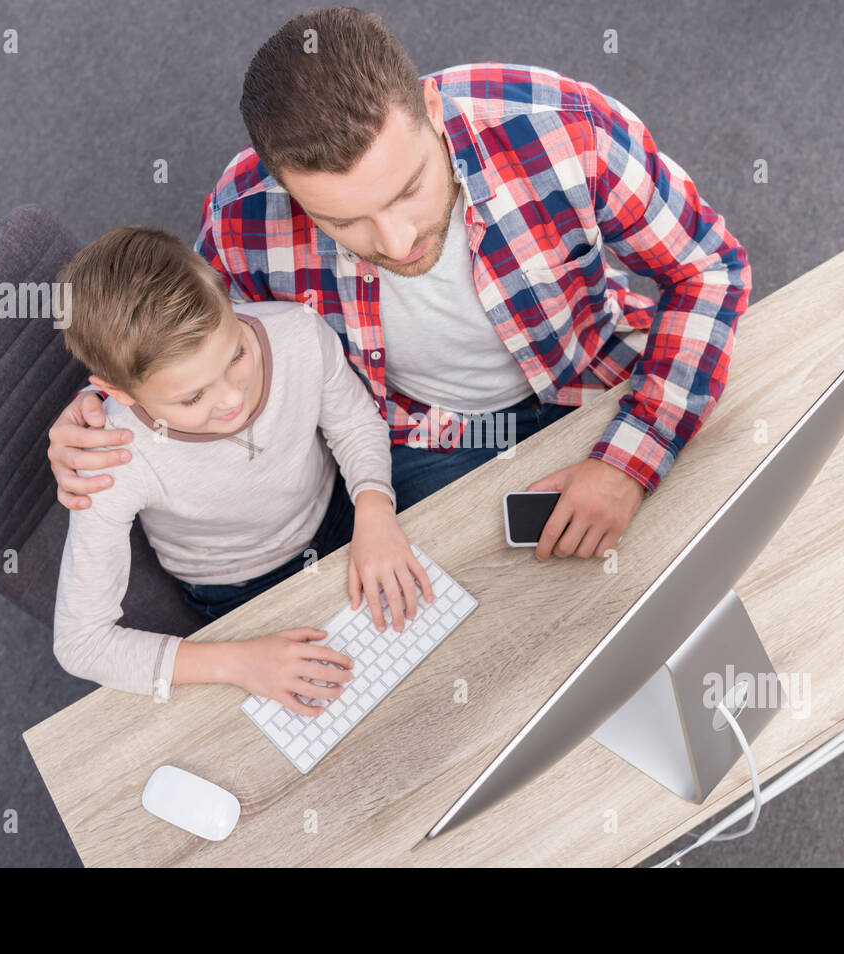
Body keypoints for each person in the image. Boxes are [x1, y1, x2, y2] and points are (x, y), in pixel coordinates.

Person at [47, 6, 751, 566]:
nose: (396, 243)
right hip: (424, 437)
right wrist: (102, 402)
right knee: (478, 628)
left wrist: (632, 461)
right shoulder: (245, 216)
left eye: (411, 188)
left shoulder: (564, 128)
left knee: (709, 543)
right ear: (285, 185)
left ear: (433, 110)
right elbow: (184, 337)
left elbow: (709, 268)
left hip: (592, 369)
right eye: (342, 220)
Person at [51, 226, 433, 714]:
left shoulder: (296, 334)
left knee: (420, 648)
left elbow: (356, 425)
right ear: (119, 393)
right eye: (192, 397)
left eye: (236, 355)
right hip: (240, 585)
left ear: (225, 298)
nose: (233, 398)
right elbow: (81, 643)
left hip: (341, 512)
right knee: (340, 708)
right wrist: (238, 663)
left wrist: (375, 507)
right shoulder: (113, 461)